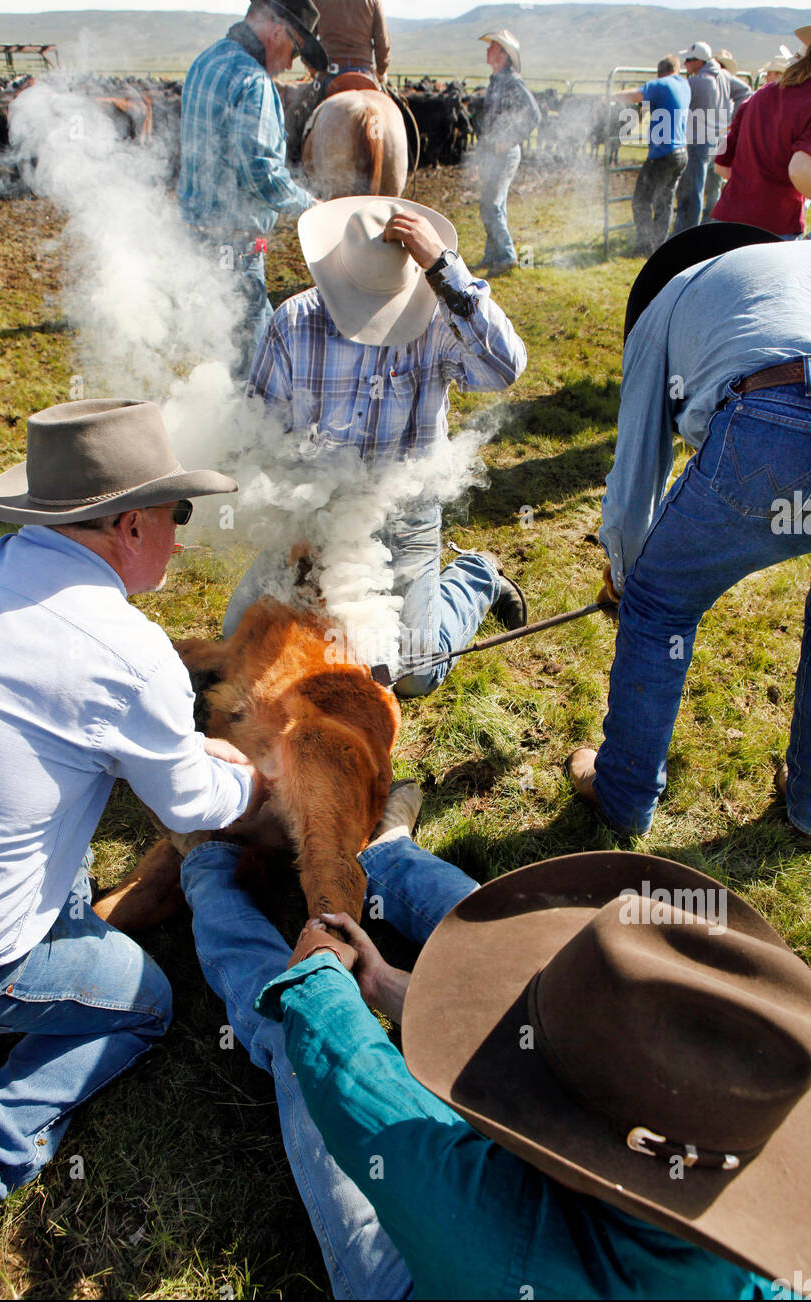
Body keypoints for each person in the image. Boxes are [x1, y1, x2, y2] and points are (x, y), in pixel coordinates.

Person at [179, 789, 811, 1298]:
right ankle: (390, 855)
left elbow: (364, 1105)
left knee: (296, 1049)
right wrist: (398, 987)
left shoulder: (494, 1241)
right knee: (540, 970)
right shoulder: (764, 1228)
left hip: (429, 1273)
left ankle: (207, 869)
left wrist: (319, 980)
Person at [0, 399, 267, 1214]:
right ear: (129, 525)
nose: (183, 534)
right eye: (176, 512)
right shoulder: (127, 654)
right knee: (143, 1003)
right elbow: (196, 803)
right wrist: (251, 780)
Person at [221, 195, 528, 697]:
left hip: (403, 522)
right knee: (241, 641)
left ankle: (476, 576)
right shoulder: (292, 322)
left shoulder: (436, 321)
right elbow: (258, 434)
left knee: (412, 673)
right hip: (313, 518)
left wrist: (445, 270)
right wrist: (288, 520)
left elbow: (506, 367)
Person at [566, 240, 811, 838]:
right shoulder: (789, 263)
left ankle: (622, 794)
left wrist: (626, 580)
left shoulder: (665, 308)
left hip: (773, 421)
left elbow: (636, 473)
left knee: (661, 606)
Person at [177, 1, 327, 367]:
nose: (291, 62)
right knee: (258, 360)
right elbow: (260, 170)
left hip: (196, 237)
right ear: (278, 31)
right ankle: (251, 422)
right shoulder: (255, 82)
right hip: (237, 245)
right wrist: (315, 209)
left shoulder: (204, 61)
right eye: (295, 49)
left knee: (220, 349)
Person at [712, 28, 811, 239]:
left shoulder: (757, 97)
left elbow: (721, 167)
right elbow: (800, 170)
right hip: (775, 228)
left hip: (727, 220)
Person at [474, 28, 540, 275]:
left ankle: (506, 256)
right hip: (495, 152)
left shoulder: (512, 81)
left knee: (491, 205)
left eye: (492, 46)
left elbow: (533, 114)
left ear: (503, 54)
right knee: (493, 204)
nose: (487, 49)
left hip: (505, 152)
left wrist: (510, 139)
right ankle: (493, 255)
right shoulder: (497, 81)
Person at [616, 55, 690, 258]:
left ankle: (643, 247)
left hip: (662, 155)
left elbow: (635, 95)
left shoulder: (661, 84)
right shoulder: (684, 84)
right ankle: (658, 249)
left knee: (641, 201)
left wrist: (610, 96)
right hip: (681, 153)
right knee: (664, 202)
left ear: (659, 73)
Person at [672, 41, 732, 233]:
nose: (686, 64)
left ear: (698, 61)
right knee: (712, 186)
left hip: (699, 141)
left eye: (688, 60)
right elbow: (745, 92)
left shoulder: (697, 81)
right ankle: (708, 226)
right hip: (718, 139)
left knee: (693, 188)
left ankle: (690, 233)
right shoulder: (723, 75)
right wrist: (732, 121)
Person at [703, 50, 751, 218]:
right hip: (717, 134)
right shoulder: (725, 81)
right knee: (713, 180)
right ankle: (710, 217)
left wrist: (734, 121)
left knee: (712, 179)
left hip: (716, 135)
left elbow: (746, 93)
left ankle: (710, 218)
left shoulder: (720, 79)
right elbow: (746, 93)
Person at [315, 0, 390, 84]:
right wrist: (380, 71)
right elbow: (382, 43)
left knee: (303, 95)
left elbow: (305, 39)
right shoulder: (373, 1)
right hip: (364, 71)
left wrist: (311, 68)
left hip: (329, 72)